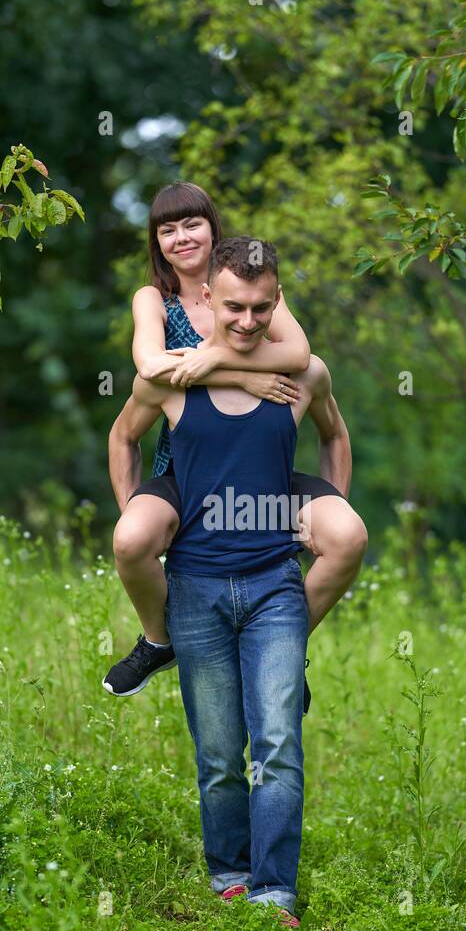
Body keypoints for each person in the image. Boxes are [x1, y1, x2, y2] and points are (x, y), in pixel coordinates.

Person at [107, 237, 363, 926]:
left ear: (276, 301)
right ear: (208, 303)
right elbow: (122, 439)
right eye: (233, 308)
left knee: (277, 744)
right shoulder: (171, 377)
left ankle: (275, 892)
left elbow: (336, 437)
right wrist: (134, 511)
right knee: (221, 753)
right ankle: (230, 873)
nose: (247, 322)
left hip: (277, 585)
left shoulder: (304, 376)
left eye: (260, 307)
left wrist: (328, 509)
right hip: (194, 592)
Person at [102, 181, 367, 703]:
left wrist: (217, 360)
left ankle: (286, 645)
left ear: (213, 227)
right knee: (131, 539)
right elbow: (152, 366)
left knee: (345, 537)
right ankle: (159, 640)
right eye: (167, 229)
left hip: (259, 459)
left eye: (192, 223)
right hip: (187, 460)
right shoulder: (154, 299)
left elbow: (299, 355)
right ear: (155, 242)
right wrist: (242, 376)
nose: (181, 237)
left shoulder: (255, 291)